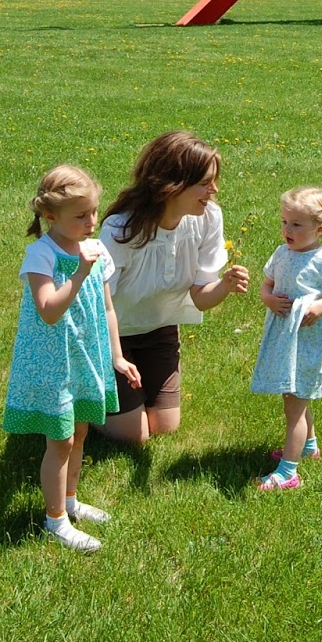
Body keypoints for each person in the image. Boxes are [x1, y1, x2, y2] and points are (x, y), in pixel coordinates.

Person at [2, 164, 141, 553]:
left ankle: (69, 501)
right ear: (50, 216)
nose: (91, 222)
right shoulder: (40, 255)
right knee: (60, 439)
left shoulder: (95, 251)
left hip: (84, 356)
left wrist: (116, 356)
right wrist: (79, 272)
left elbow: (108, 308)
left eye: (94, 212)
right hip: (52, 361)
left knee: (79, 433)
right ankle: (55, 521)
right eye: (80, 215)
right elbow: (48, 310)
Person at [98, 132, 249, 445]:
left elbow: (201, 298)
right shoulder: (121, 230)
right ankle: (79, 397)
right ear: (173, 184)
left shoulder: (208, 218)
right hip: (111, 338)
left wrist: (224, 285)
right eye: (205, 183)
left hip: (160, 332)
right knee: (133, 436)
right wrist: (114, 356)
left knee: (165, 426)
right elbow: (99, 304)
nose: (214, 190)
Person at [250, 187, 322, 493]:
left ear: (320, 229)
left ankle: (288, 472)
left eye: (296, 225)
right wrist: (269, 299)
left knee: (294, 404)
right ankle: (308, 446)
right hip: (286, 338)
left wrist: (321, 305)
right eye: (284, 222)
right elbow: (266, 285)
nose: (287, 230)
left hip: (309, 340)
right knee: (294, 393)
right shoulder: (281, 253)